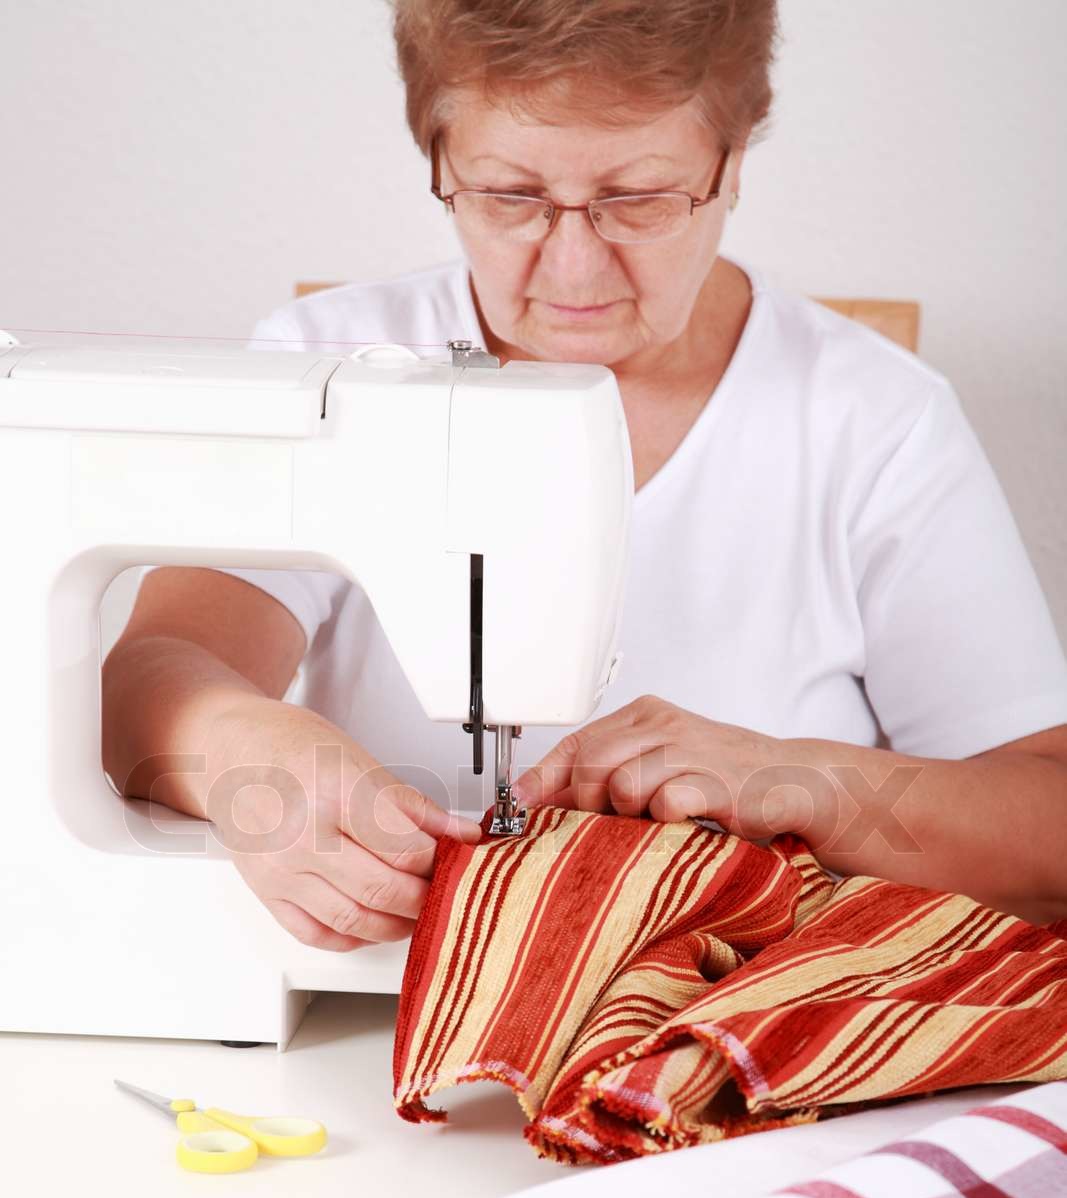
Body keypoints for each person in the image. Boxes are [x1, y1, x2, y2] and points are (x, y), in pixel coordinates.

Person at [102, 0, 1067, 955]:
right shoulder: (326, 366)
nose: (571, 268)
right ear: (438, 164)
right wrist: (234, 743)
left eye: (638, 198)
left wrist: (801, 783)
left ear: (730, 166)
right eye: (509, 198)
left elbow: (1048, 822)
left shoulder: (873, 418)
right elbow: (148, 679)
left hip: (746, 1012)